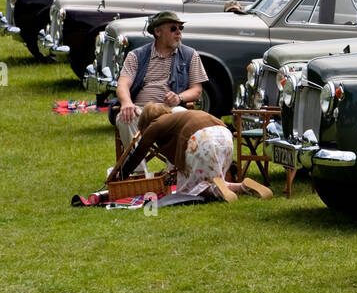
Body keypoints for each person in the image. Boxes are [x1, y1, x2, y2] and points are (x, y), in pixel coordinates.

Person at [116, 102, 272, 202]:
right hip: (225, 135)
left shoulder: (155, 124)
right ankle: (243, 186)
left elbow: (139, 151)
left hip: (202, 139)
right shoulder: (179, 117)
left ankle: (218, 192)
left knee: (188, 190)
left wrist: (122, 174)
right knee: (216, 179)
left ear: (146, 122)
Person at [114, 11, 208, 174]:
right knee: (125, 117)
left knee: (184, 116)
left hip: (171, 110)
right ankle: (138, 175)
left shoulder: (190, 55)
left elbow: (197, 90)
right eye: (173, 28)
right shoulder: (136, 55)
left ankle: (175, 173)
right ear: (158, 32)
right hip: (141, 109)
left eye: (181, 28)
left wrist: (179, 97)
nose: (179, 32)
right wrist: (127, 103)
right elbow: (123, 84)